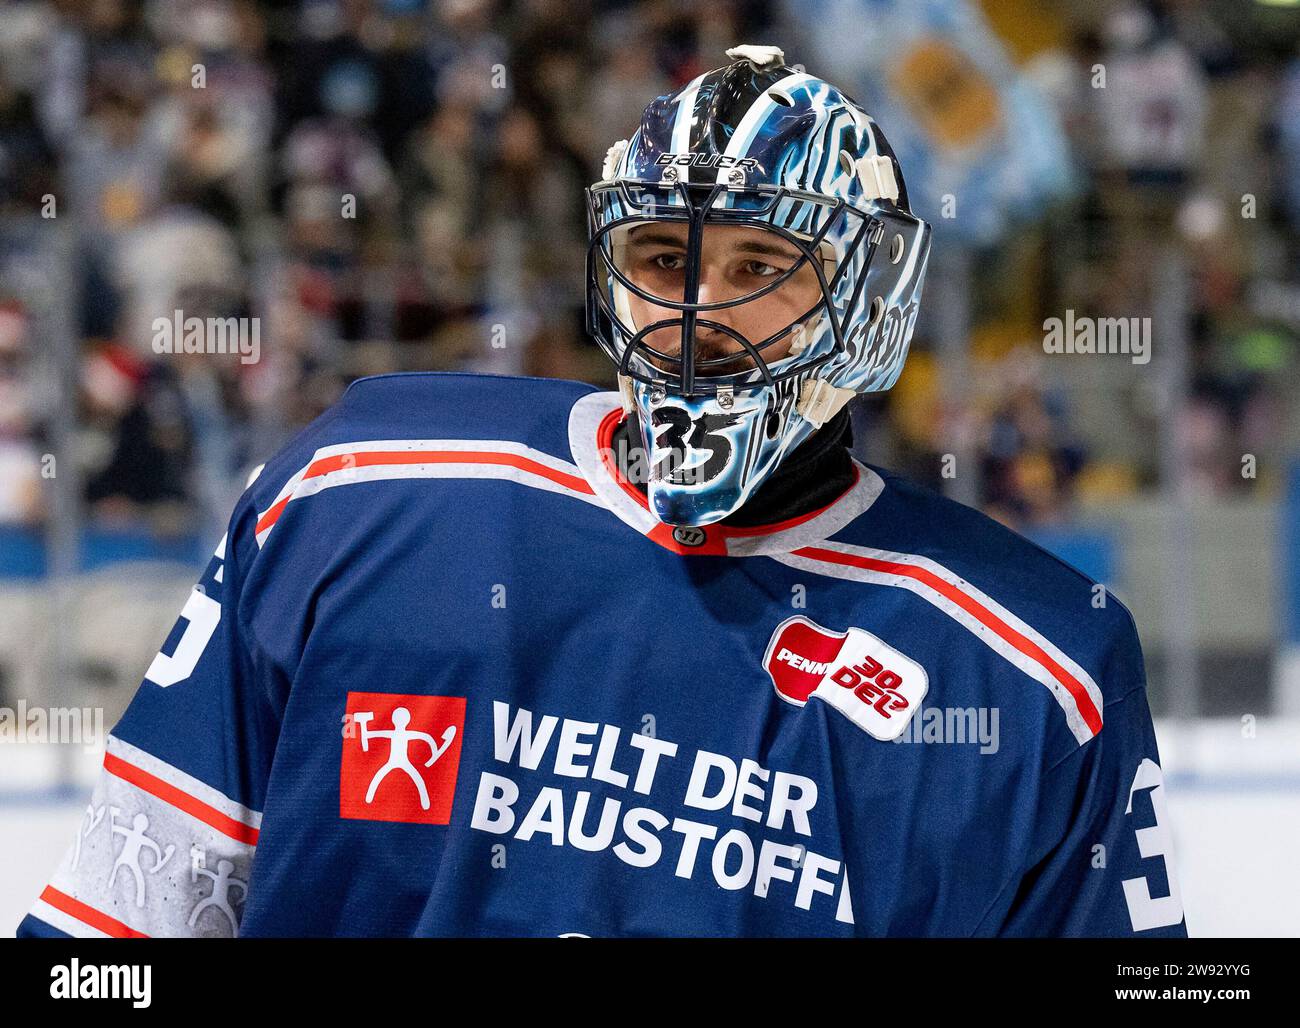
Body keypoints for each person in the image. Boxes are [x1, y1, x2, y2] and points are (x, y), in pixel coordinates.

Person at [18, 45, 1184, 938]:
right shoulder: (356, 489)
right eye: (665, 261)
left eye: (759, 267)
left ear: (868, 297)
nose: (697, 316)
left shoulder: (1042, 674)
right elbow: (124, 921)